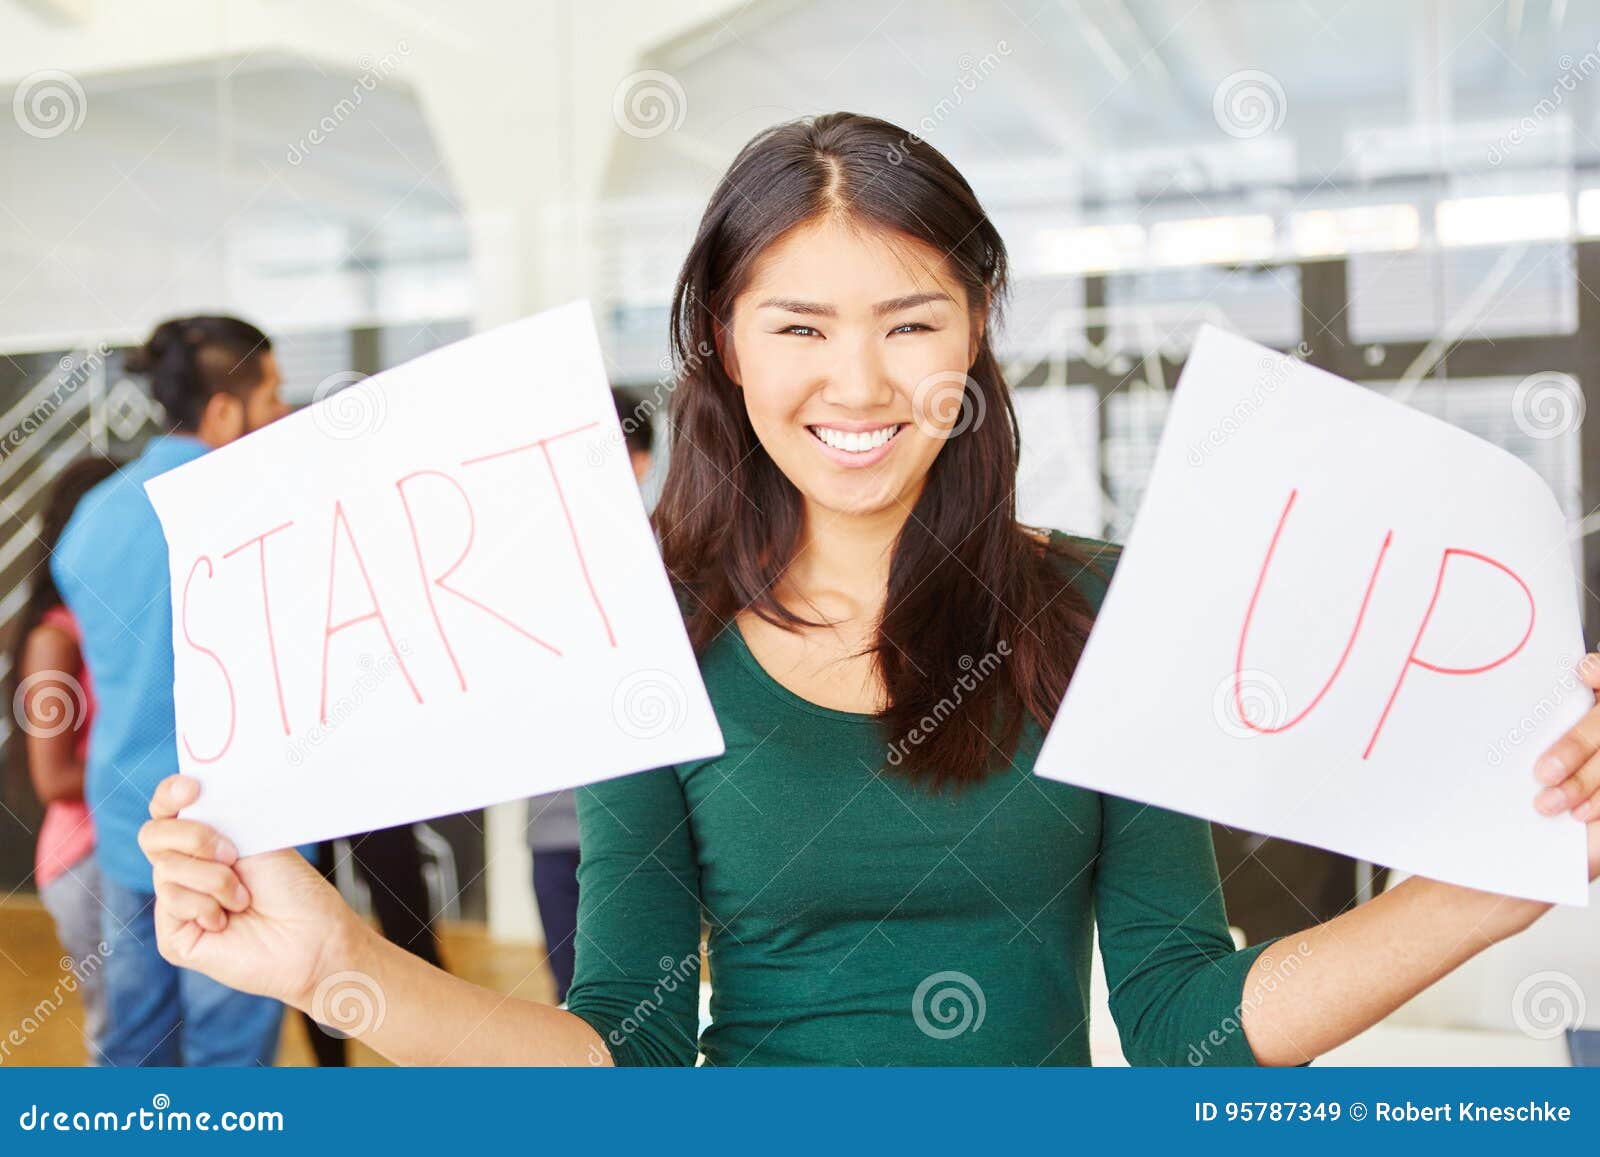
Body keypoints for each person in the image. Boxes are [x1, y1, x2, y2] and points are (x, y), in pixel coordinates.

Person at [138, 114, 1600, 1066]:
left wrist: (1501, 878)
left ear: (976, 333)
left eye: (913, 322)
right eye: (799, 326)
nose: (858, 384)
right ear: (720, 343)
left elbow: (1184, 1026)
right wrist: (335, 961)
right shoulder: (656, 641)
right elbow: (623, 1055)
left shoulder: (1100, 610)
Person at [54, 316, 289, 1067]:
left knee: (133, 1042)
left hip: (131, 830)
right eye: (273, 396)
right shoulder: (259, 516)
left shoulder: (91, 520)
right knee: (228, 1058)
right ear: (224, 411)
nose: (283, 416)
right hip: (235, 841)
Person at [524, 389, 656, 1004]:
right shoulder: (529, 569)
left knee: (644, 1007)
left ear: (639, 463)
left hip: (647, 830)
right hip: (554, 828)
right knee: (573, 1003)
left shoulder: (683, 561)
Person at [7, 455, 120, 1062]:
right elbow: (53, 778)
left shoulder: (102, 621)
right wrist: (149, 772)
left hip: (114, 851)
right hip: (84, 863)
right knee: (119, 1032)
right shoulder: (55, 639)